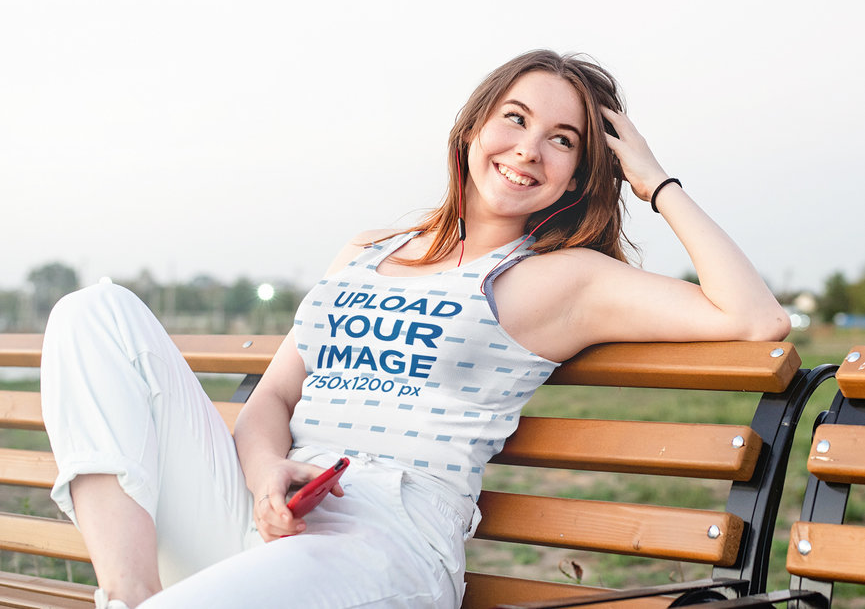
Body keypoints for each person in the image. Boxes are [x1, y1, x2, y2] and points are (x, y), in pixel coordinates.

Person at [40, 50, 790, 608]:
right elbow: (269, 402)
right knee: (91, 313)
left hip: (382, 538)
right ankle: (129, 595)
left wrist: (655, 181)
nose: (529, 149)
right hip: (267, 516)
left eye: (563, 140)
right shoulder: (365, 254)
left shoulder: (559, 279)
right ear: (471, 129)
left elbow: (754, 318)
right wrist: (268, 474)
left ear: (579, 174)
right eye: (516, 119)